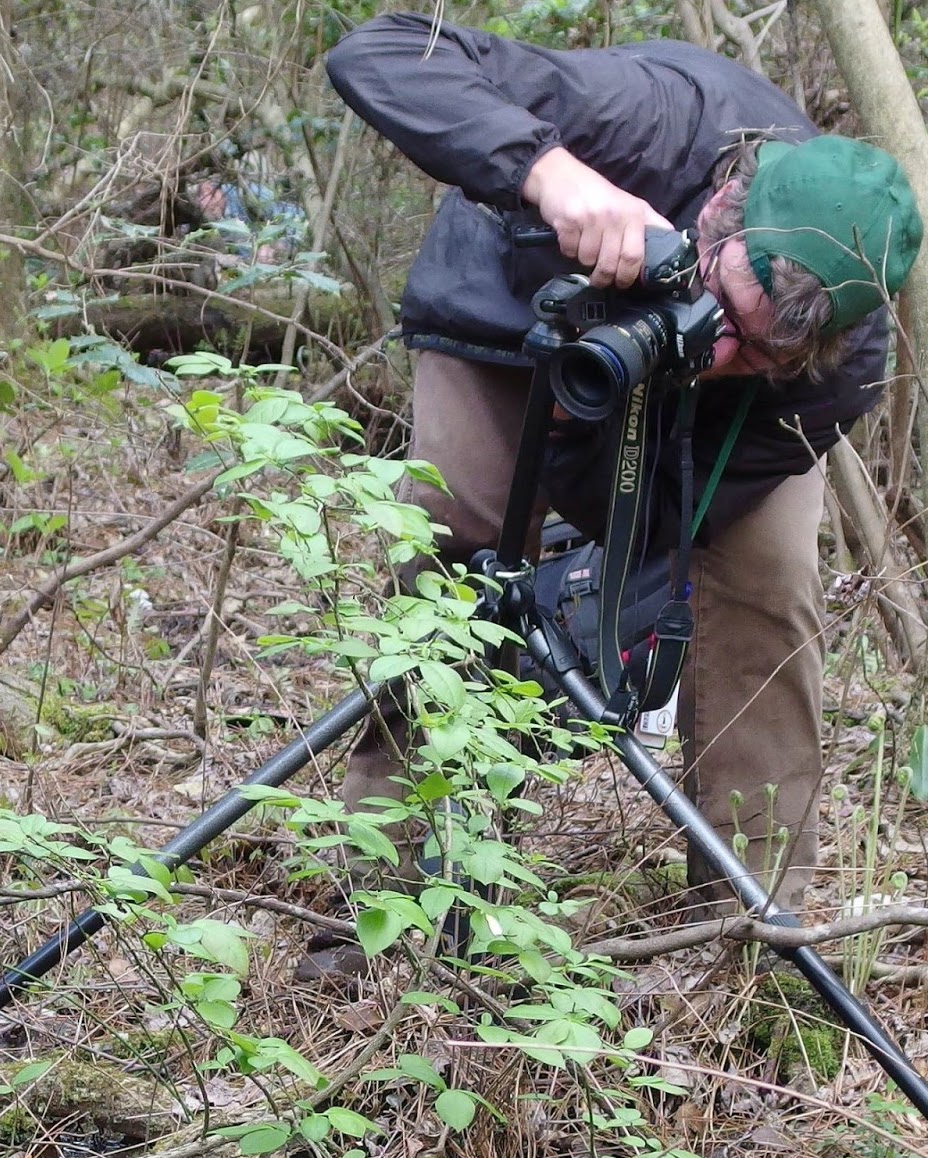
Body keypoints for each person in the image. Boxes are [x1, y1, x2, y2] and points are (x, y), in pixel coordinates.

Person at [296, 11, 923, 979]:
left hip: (686, 423)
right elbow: (375, 51)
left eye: (756, 344)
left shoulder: (829, 371)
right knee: (452, 547)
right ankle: (387, 901)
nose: (722, 346)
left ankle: (749, 930)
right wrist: (553, 172)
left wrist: (620, 437)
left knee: (766, 585)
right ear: (718, 211)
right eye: (722, 306)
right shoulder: (643, 119)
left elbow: (650, 524)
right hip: (504, 315)